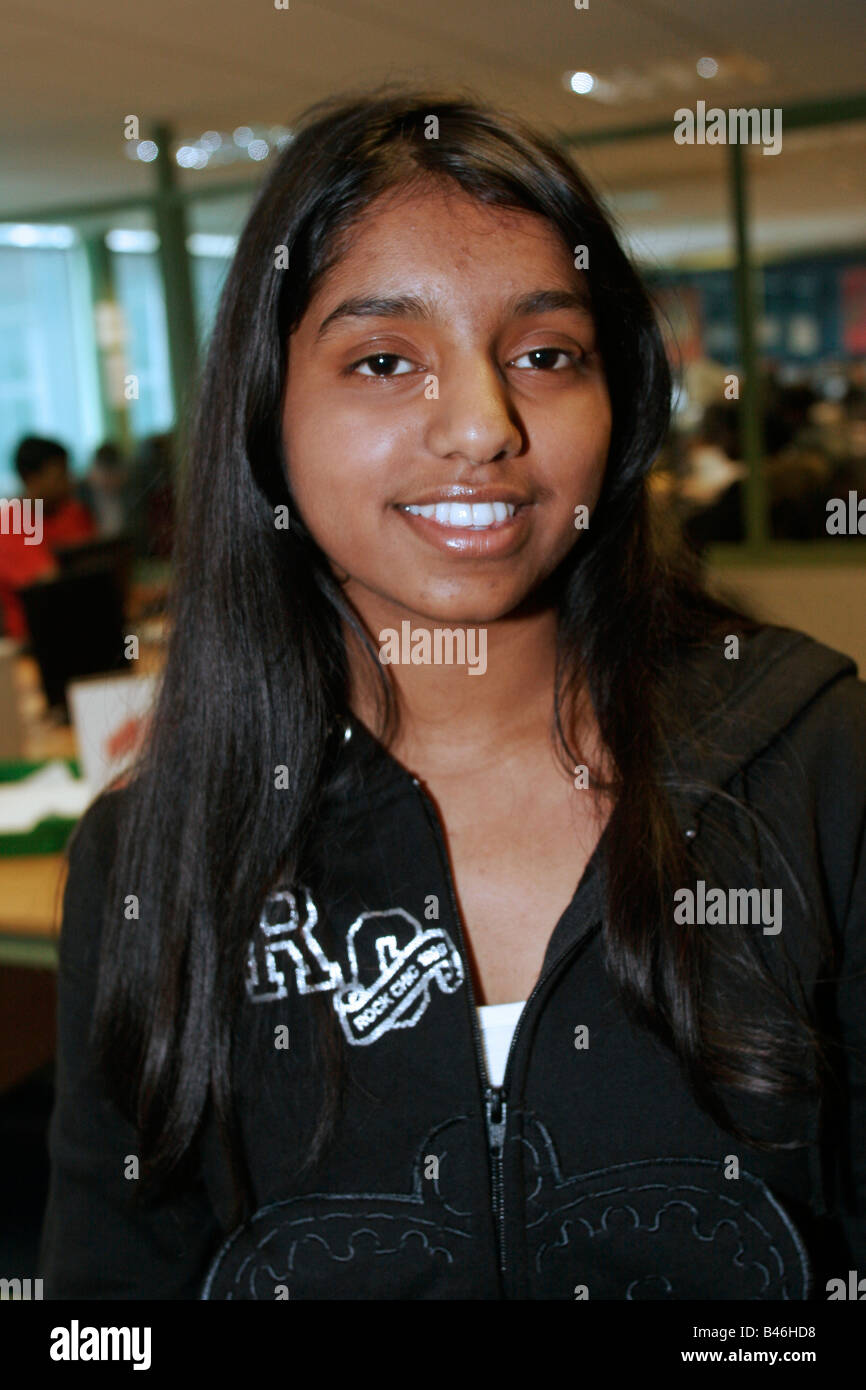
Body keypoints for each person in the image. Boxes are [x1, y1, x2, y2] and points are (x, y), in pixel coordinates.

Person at [39, 88, 866, 1301]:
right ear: (268, 415)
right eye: (382, 360)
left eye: (543, 355)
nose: (481, 426)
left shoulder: (820, 763)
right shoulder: (153, 854)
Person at [0, 436, 95, 639]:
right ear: (31, 479)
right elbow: (49, 584)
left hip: (86, 625)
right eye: (60, 476)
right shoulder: (12, 521)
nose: (70, 482)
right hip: (35, 640)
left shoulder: (73, 513)